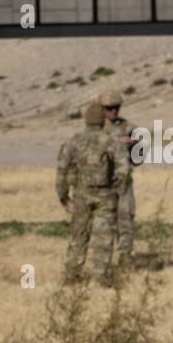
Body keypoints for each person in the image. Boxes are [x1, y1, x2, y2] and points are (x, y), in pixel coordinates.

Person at [56, 102, 127, 285]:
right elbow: (123, 167)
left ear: (86, 120)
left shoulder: (73, 141)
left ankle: (72, 277)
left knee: (78, 236)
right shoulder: (110, 141)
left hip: (81, 195)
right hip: (106, 196)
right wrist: (117, 188)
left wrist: (63, 195)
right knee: (104, 239)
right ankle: (101, 278)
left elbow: (62, 170)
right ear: (103, 121)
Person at [99, 89, 139, 269]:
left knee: (125, 221)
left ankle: (124, 260)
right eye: (109, 108)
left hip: (123, 182)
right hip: (102, 183)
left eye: (116, 108)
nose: (113, 111)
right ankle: (102, 263)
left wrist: (134, 145)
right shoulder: (96, 129)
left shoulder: (129, 128)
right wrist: (113, 143)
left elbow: (139, 158)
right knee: (103, 224)